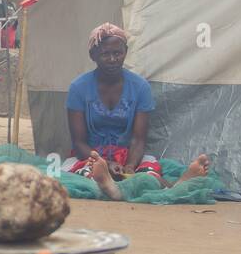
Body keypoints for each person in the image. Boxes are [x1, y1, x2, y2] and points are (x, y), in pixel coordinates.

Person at [65, 22, 209, 199]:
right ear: (92, 55)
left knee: (145, 176)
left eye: (117, 53)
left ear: (125, 52)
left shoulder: (140, 87)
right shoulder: (78, 88)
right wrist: (106, 163)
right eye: (105, 54)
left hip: (128, 156)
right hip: (90, 156)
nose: (112, 59)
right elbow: (78, 143)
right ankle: (108, 182)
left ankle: (178, 185)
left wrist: (131, 166)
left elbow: (138, 139)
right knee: (88, 174)